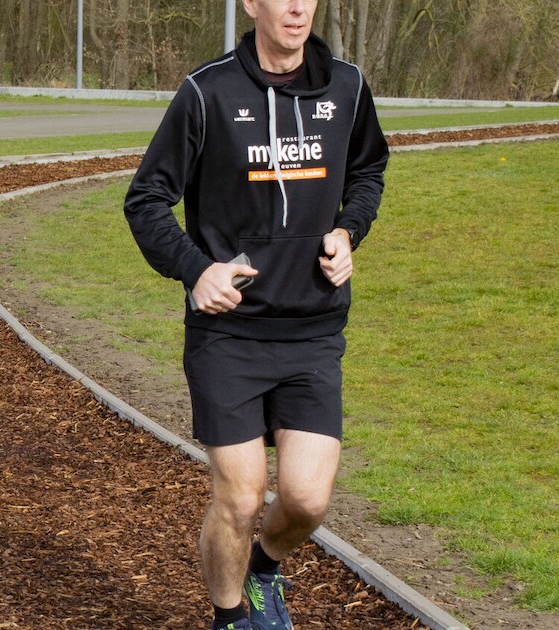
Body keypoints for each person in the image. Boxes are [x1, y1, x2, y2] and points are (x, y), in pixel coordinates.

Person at [123, 0, 389, 628]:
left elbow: (370, 169)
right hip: (229, 336)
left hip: (314, 330)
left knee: (305, 500)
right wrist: (196, 270)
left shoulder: (347, 87)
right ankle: (231, 616)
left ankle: (265, 568)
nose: (297, 8)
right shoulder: (207, 90)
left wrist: (350, 230)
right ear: (251, 4)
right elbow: (146, 200)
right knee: (240, 500)